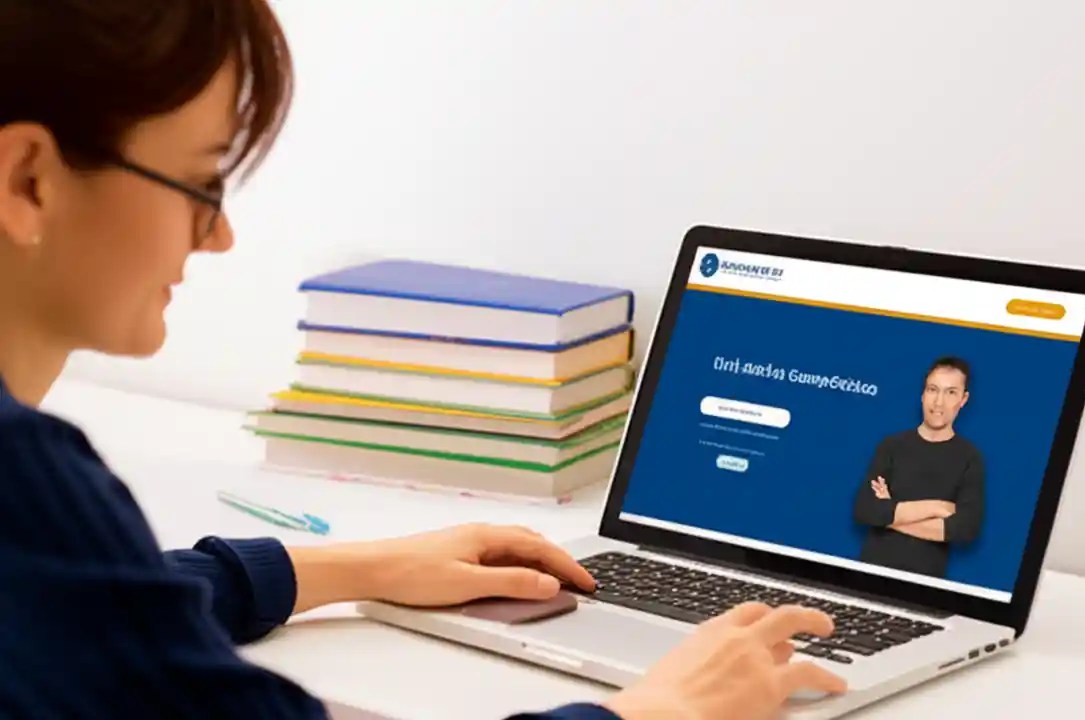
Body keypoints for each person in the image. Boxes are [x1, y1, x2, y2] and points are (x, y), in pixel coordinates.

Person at [0, 1, 848, 718]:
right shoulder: (24, 474)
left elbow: (80, 607)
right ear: (28, 180)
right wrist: (654, 713)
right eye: (205, 182)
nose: (219, 235)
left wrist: (360, 566)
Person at [852, 356, 985, 578]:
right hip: (868, 575)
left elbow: (965, 529)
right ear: (923, 394)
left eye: (951, 392)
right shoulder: (892, 446)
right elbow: (865, 510)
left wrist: (890, 515)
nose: (938, 402)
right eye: (933, 390)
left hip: (923, 586)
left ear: (963, 399)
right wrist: (936, 507)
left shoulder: (970, 458)